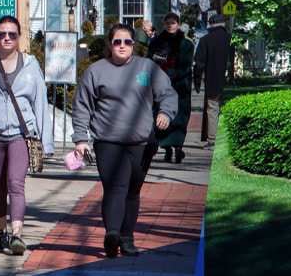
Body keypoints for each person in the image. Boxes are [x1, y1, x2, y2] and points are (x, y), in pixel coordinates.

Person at [72, 23, 177, 258]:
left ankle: (127, 238)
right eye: (117, 42)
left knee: (133, 191)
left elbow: (167, 93)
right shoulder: (96, 71)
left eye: (127, 42)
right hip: (107, 140)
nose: (122, 46)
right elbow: (82, 106)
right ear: (109, 44)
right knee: (116, 187)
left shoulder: (147, 68)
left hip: (142, 142)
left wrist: (164, 113)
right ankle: (112, 234)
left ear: (133, 45)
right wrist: (80, 138)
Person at [0, 15, 53, 256]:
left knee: (16, 184)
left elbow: (40, 102)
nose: (7, 38)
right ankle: (1, 232)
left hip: (20, 134)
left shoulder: (30, 64)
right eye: (2, 34)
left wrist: (46, 141)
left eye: (12, 34)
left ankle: (17, 235)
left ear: (19, 37)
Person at [148, 13, 195, 163]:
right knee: (162, 114)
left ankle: (178, 148)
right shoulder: (157, 42)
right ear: (164, 24)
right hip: (161, 85)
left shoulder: (186, 43)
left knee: (180, 117)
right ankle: (167, 149)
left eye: (173, 23)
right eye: (167, 23)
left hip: (180, 85)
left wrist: (172, 73)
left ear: (178, 24)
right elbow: (149, 60)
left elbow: (186, 65)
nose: (170, 25)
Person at [196, 13, 232, 148]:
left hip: (213, 81)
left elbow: (199, 63)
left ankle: (213, 140)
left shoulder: (205, 40)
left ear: (210, 25)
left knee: (212, 109)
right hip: (228, 82)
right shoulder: (230, 39)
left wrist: (197, 82)